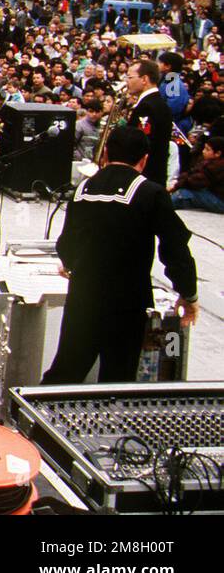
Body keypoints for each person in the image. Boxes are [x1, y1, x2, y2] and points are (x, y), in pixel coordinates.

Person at [42, 126, 198, 384]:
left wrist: (71, 263)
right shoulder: (150, 192)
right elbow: (175, 246)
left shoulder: (84, 189)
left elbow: (67, 241)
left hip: (83, 296)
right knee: (118, 375)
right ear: (144, 159)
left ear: (105, 153)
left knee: (67, 368)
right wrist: (188, 292)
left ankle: (38, 420)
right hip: (128, 301)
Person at [126, 59, 174, 188]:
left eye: (130, 77)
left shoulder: (147, 106)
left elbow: (140, 143)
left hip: (145, 177)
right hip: (154, 176)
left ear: (144, 79)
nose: (127, 81)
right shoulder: (157, 103)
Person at [170, 137, 224, 213]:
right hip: (214, 193)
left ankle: (164, 207)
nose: (203, 151)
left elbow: (196, 181)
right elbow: (192, 172)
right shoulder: (210, 162)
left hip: (221, 201)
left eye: (207, 149)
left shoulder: (219, 166)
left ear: (218, 153)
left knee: (184, 193)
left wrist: (176, 186)